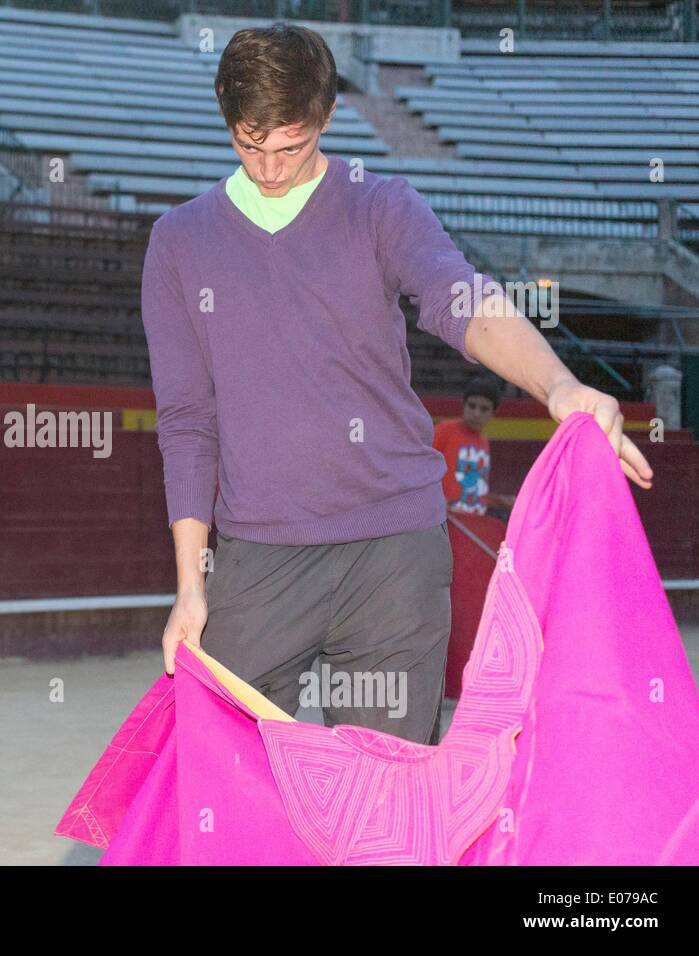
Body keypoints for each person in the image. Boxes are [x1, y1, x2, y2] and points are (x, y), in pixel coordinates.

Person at [143, 24, 653, 746]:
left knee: (390, 813)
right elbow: (188, 423)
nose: (268, 168)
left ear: (323, 119)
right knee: (225, 802)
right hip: (257, 559)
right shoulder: (180, 241)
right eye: (248, 143)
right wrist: (192, 586)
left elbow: (461, 300)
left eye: (289, 145)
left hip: (393, 553)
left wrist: (559, 386)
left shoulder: (379, 205)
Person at [433, 376, 517, 516]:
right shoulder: (444, 430)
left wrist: (502, 501)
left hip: (473, 520)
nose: (476, 413)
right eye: (472, 406)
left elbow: (477, 492)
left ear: (493, 413)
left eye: (484, 409)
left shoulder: (484, 443)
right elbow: (419, 467)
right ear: (463, 405)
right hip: (446, 519)